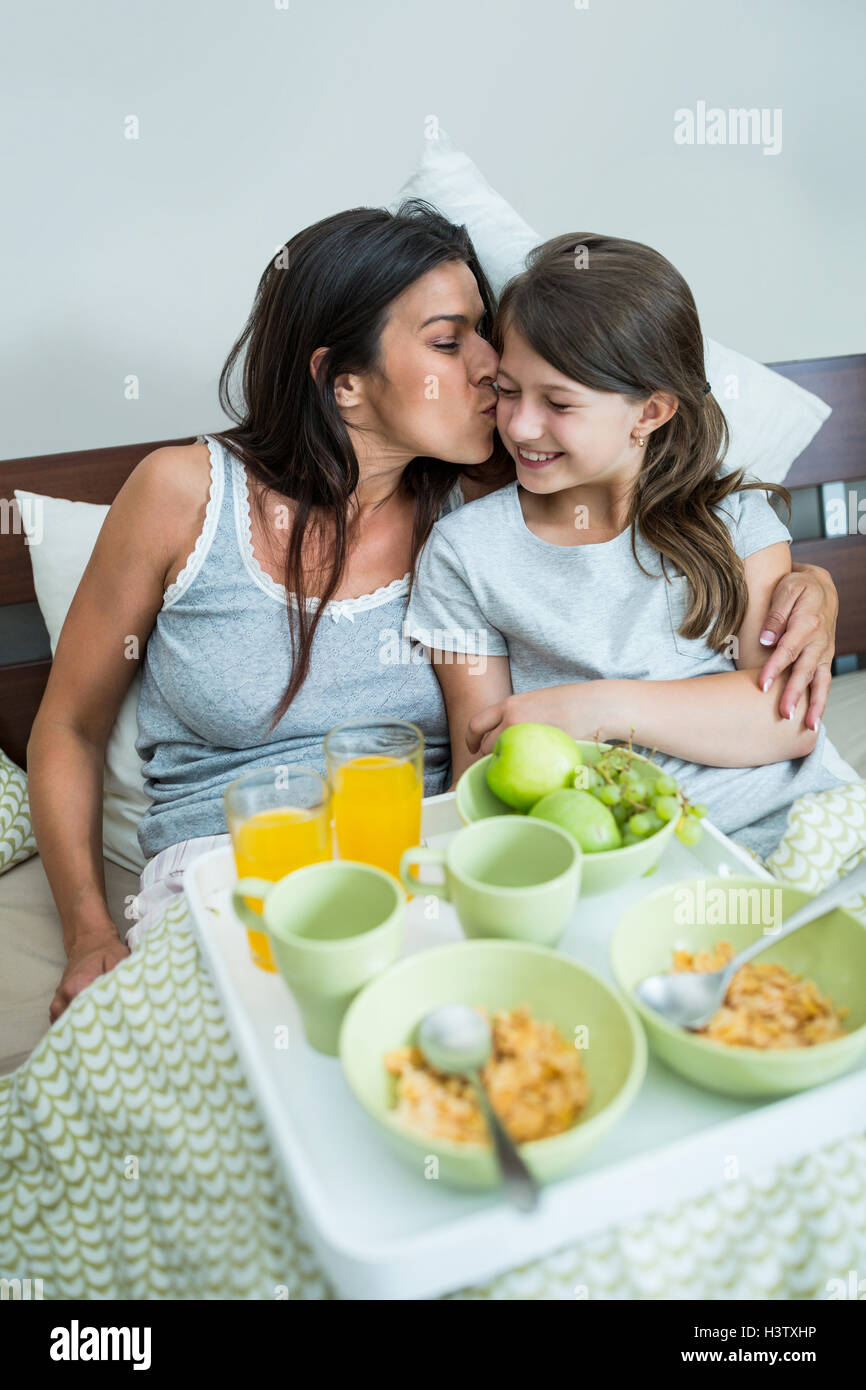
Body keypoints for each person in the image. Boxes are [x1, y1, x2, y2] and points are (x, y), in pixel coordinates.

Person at [27, 210, 838, 1021]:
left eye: (485, 334)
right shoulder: (183, 494)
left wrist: (811, 587)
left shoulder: (483, 496)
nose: (494, 369)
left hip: (422, 863)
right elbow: (68, 727)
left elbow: (642, 483)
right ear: (342, 381)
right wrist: (90, 931)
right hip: (239, 868)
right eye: (451, 343)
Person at [405, 233, 857, 857]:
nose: (521, 425)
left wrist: (597, 707)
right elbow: (478, 764)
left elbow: (785, 723)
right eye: (508, 391)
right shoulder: (465, 552)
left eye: (559, 402)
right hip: (614, 853)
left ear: (649, 413)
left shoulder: (735, 523)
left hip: (794, 822)